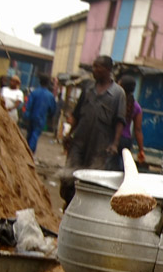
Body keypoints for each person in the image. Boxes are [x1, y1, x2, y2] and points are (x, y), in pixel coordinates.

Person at [61, 55, 126, 206]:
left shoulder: (118, 94)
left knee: (91, 177)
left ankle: (83, 207)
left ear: (108, 70)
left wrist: (115, 143)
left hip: (100, 144)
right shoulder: (88, 88)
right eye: (94, 66)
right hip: (79, 140)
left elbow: (119, 121)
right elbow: (77, 114)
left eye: (98, 67)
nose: (94, 70)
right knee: (69, 176)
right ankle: (68, 205)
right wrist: (69, 134)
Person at [106, 77, 146, 170]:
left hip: (112, 137)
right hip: (126, 141)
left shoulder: (113, 101)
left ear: (120, 86)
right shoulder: (136, 107)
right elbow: (138, 130)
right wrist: (141, 150)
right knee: (121, 168)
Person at [23, 73, 57, 155]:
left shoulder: (34, 93)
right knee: (35, 135)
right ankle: (30, 152)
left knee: (30, 134)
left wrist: (26, 116)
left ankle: (26, 150)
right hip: (41, 118)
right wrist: (49, 116)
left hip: (31, 117)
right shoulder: (50, 96)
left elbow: (28, 105)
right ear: (48, 83)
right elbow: (53, 109)